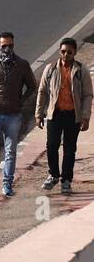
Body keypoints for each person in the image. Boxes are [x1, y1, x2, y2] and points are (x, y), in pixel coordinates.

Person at [0, 32, 38, 197]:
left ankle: (7, 184)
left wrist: (21, 101)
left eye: (10, 45)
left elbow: (32, 86)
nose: (7, 49)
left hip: (13, 115)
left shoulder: (22, 64)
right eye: (4, 45)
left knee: (10, 150)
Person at [36, 37, 91, 195]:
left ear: (74, 53)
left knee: (69, 148)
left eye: (69, 52)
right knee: (51, 145)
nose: (65, 55)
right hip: (55, 114)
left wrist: (85, 116)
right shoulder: (51, 69)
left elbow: (88, 95)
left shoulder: (81, 70)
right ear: (60, 51)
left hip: (73, 116)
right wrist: (39, 114)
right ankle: (53, 175)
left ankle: (66, 180)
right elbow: (42, 91)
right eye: (63, 51)